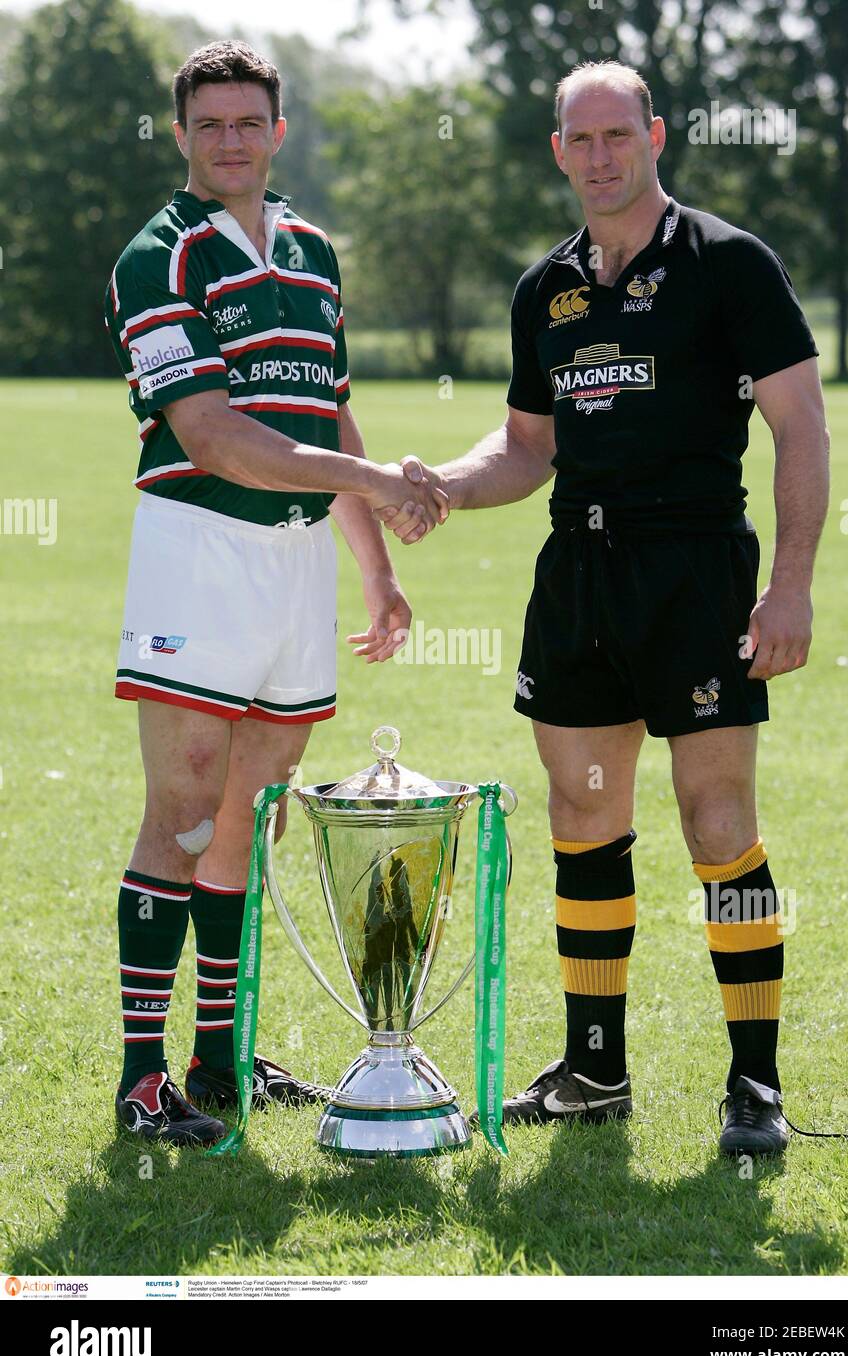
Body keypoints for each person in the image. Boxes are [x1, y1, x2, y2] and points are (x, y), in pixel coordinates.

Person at [383, 61, 830, 1156]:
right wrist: (445, 482)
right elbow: (526, 448)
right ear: (557, 152)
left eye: (614, 136)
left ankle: (755, 1084)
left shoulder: (730, 265)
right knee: (583, 819)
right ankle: (594, 1069)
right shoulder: (546, 289)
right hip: (577, 577)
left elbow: (802, 425)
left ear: (654, 136)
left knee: (716, 821)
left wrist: (791, 584)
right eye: (576, 140)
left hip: (696, 572)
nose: (597, 157)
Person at [104, 40, 447, 1146]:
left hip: (297, 562)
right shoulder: (158, 254)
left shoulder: (312, 249)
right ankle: (141, 1080)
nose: (231, 141)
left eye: (249, 122)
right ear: (182, 136)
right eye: (209, 125)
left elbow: (326, 415)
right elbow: (208, 435)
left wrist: (377, 566)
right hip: (201, 550)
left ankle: (218, 1059)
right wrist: (366, 481)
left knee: (247, 822)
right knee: (185, 808)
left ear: (278, 131)